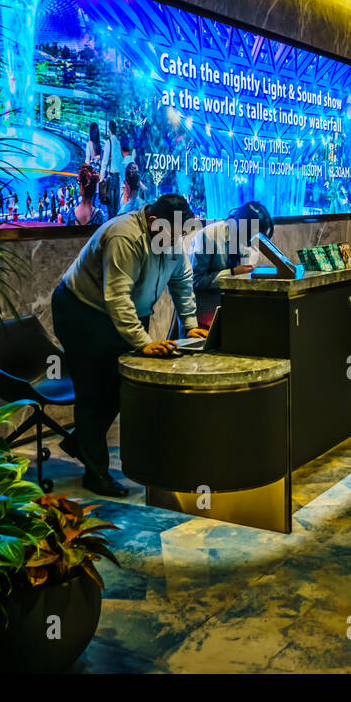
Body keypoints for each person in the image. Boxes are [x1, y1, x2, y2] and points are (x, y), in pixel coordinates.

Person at [51, 194, 207, 496]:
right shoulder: (124, 236)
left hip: (130, 311)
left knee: (124, 385)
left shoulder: (172, 235)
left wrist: (190, 325)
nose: (177, 240)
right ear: (152, 222)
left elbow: (181, 280)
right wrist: (143, 342)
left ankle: (80, 442)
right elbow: (117, 298)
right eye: (173, 234)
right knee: (95, 391)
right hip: (83, 309)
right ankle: (95, 474)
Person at [190, 200, 273, 327]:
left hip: (237, 313)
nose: (251, 242)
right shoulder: (209, 236)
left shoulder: (250, 239)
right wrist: (232, 273)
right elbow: (196, 281)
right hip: (206, 316)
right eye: (251, 236)